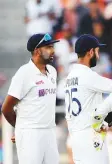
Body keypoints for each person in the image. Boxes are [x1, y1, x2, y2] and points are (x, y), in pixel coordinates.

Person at [65, 34, 112, 164]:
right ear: (90, 52)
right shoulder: (87, 75)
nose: (98, 56)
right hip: (90, 135)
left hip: (76, 136)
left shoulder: (70, 76)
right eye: (97, 51)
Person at [1, 33, 60, 164]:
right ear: (37, 51)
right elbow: (6, 108)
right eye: (49, 47)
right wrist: (19, 128)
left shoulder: (52, 71)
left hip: (50, 131)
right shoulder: (24, 73)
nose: (53, 50)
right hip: (30, 134)